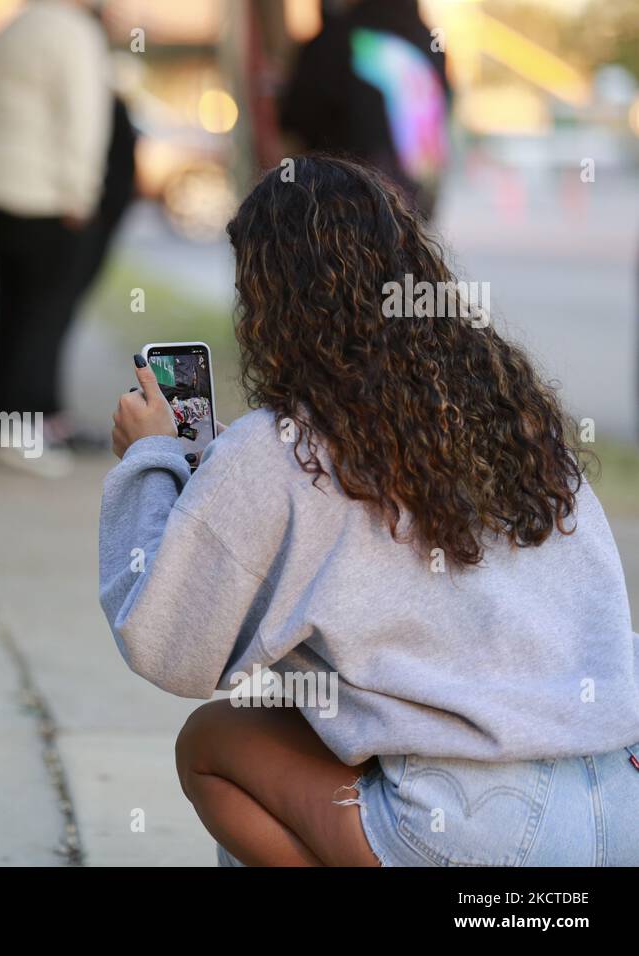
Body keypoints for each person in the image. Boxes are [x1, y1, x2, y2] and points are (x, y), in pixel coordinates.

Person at [100, 156, 639, 866]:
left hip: (479, 827)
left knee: (215, 743)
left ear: (272, 304)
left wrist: (150, 464)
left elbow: (168, 648)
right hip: (616, 803)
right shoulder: (519, 424)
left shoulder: (284, 451)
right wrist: (226, 477)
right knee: (300, 728)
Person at [0, 0, 112, 477]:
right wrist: (82, 195)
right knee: (42, 314)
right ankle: (21, 431)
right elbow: (83, 119)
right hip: (41, 196)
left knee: (12, 307)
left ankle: (8, 423)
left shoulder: (13, 27)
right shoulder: (74, 33)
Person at [280, 0, 449, 220]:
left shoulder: (337, 38)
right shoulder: (427, 40)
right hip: (415, 198)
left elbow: (297, 117)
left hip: (348, 205)